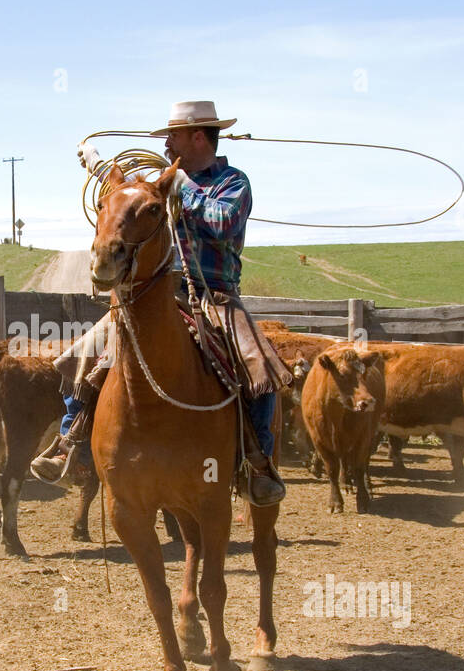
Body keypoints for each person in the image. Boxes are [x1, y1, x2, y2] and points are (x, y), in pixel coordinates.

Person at [30, 100, 291, 506]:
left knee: (257, 363)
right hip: (158, 294)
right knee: (86, 353)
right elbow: (129, 194)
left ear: (198, 137)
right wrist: (96, 164)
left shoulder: (232, 183)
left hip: (215, 294)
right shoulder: (163, 181)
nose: (166, 144)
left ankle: (258, 461)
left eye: (173, 136)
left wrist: (182, 185)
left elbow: (223, 224)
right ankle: (71, 439)